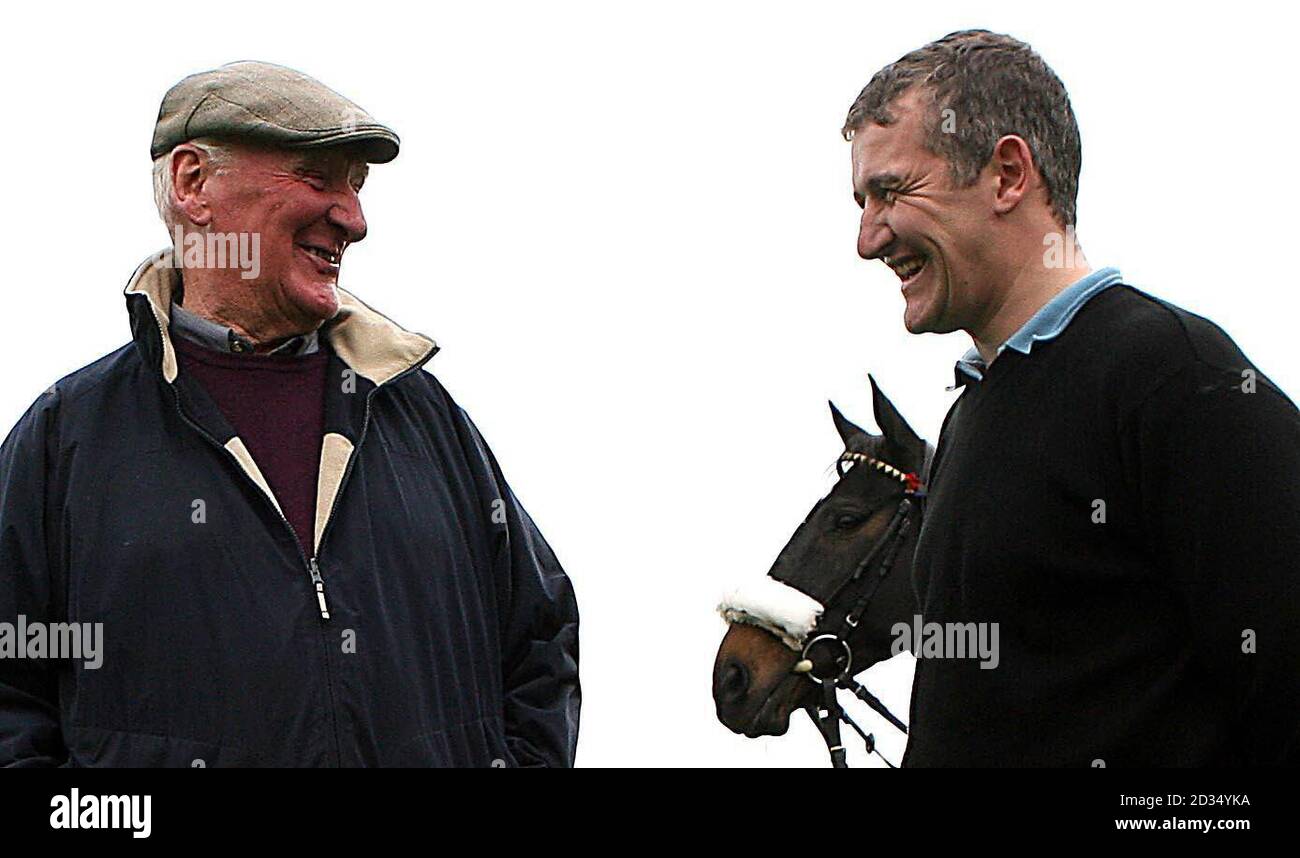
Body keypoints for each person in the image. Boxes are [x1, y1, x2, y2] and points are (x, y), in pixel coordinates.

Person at [0, 61, 579, 767]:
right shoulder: (67, 439)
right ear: (192, 184)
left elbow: (540, 639)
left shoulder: (424, 419)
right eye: (319, 177)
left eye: (357, 187)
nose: (354, 220)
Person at [846, 30, 1299, 765]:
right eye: (862, 200)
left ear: (1008, 174)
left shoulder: (1175, 378)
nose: (867, 239)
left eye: (892, 191)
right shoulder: (968, 417)